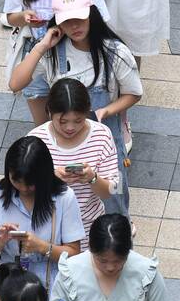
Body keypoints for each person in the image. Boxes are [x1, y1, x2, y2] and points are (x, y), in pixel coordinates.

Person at [9, 0, 141, 211]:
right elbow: (16, 83)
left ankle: (120, 226)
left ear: (91, 13)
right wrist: (41, 46)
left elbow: (133, 93)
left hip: (105, 132)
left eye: (79, 18)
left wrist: (106, 111)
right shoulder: (52, 54)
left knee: (114, 191)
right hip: (61, 144)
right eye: (67, 21)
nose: (74, 26)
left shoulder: (115, 52)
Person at [0, 134, 83, 301]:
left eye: (31, 184)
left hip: (48, 278)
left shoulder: (64, 197)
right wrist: (0, 241)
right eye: (16, 181)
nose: (23, 189)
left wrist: (42, 247)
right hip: (9, 279)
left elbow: (73, 253)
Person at [31, 77, 121, 243]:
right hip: (47, 232)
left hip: (88, 231)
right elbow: (24, 189)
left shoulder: (102, 135)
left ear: (88, 112)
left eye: (78, 120)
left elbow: (113, 190)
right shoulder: (36, 139)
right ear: (49, 112)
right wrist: (51, 180)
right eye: (63, 121)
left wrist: (92, 178)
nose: (70, 127)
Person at [49, 212, 173, 301]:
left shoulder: (147, 273)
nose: (110, 267)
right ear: (90, 248)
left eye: (118, 260)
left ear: (128, 251)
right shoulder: (69, 273)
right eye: (102, 260)